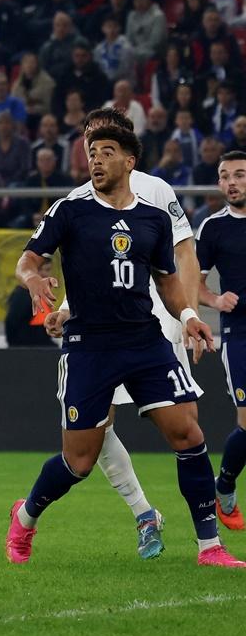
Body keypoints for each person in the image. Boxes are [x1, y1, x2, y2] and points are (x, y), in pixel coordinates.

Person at [11, 125, 244, 568]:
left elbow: (169, 283)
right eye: (91, 152)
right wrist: (34, 279)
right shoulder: (71, 210)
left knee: (188, 435)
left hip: (143, 341)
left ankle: (209, 548)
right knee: (79, 460)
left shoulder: (152, 218)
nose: (95, 160)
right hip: (89, 348)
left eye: (106, 152)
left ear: (129, 162)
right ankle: (25, 517)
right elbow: (28, 260)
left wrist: (191, 316)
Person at [45, 108, 203, 558]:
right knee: (95, 431)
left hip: (154, 326)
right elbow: (85, 271)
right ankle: (143, 513)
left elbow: (183, 254)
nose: (95, 153)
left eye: (104, 143)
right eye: (89, 143)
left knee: (183, 427)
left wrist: (186, 315)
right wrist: (64, 309)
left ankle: (211, 519)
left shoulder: (156, 191)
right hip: (96, 335)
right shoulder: (77, 198)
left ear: (127, 149)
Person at [195, 150, 246, 531]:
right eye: (225, 176)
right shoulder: (212, 228)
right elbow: (189, 283)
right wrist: (214, 299)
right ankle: (224, 487)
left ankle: (224, 485)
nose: (232, 182)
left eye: (240, 175)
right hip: (239, 333)